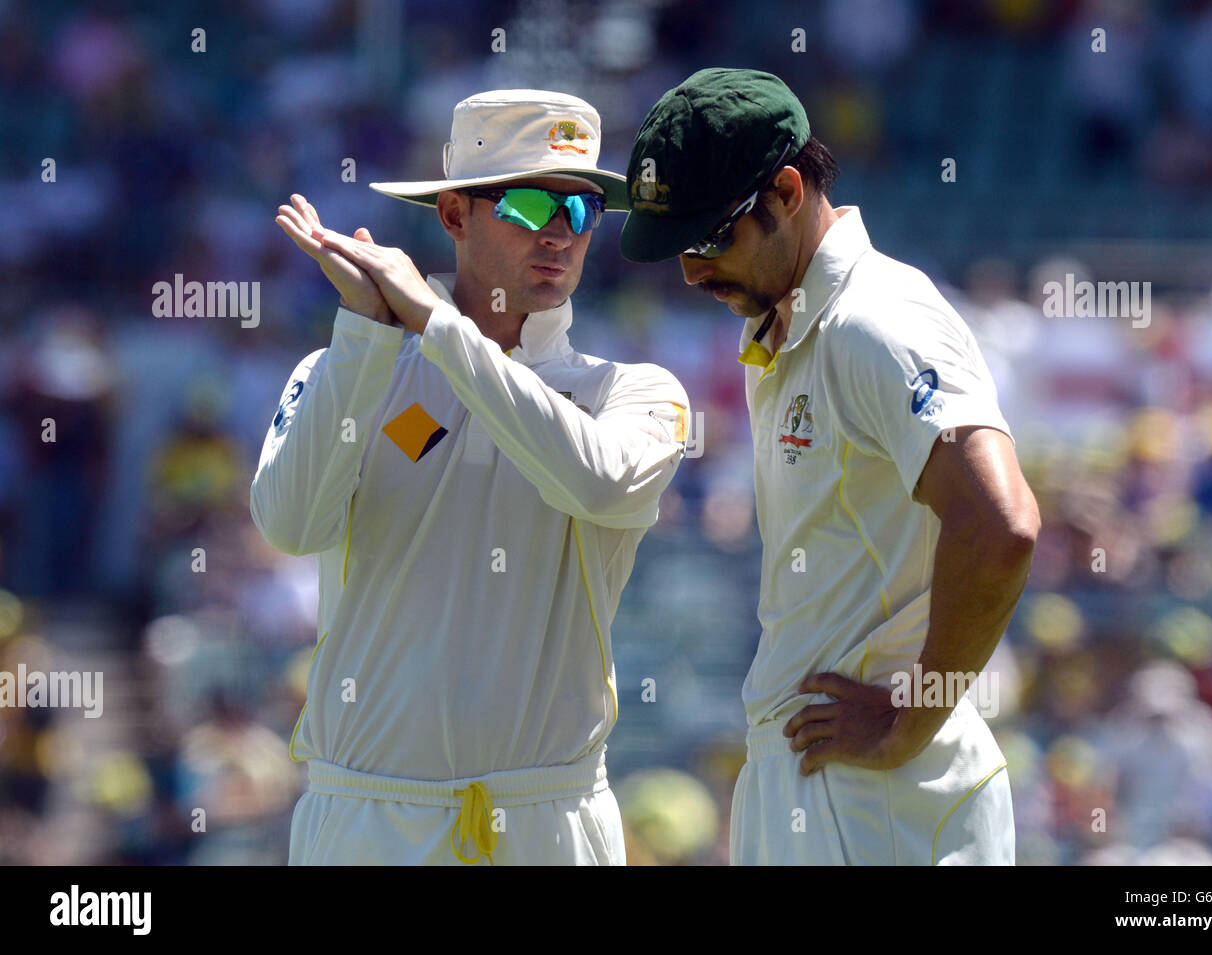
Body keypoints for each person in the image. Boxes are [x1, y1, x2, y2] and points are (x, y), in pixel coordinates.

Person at [253, 89, 690, 865]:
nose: (560, 232)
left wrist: (439, 329)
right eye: (529, 204)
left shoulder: (634, 391)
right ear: (454, 216)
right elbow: (289, 525)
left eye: (583, 210)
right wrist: (363, 335)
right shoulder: (349, 365)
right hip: (366, 820)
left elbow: (598, 482)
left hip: (549, 820)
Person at [620, 68, 1040, 865]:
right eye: (681, 245)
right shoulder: (789, 324)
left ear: (784, 191)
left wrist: (908, 715)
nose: (691, 271)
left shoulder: (872, 321)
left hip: (877, 793)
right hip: (831, 781)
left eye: (711, 236)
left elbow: (1002, 525)